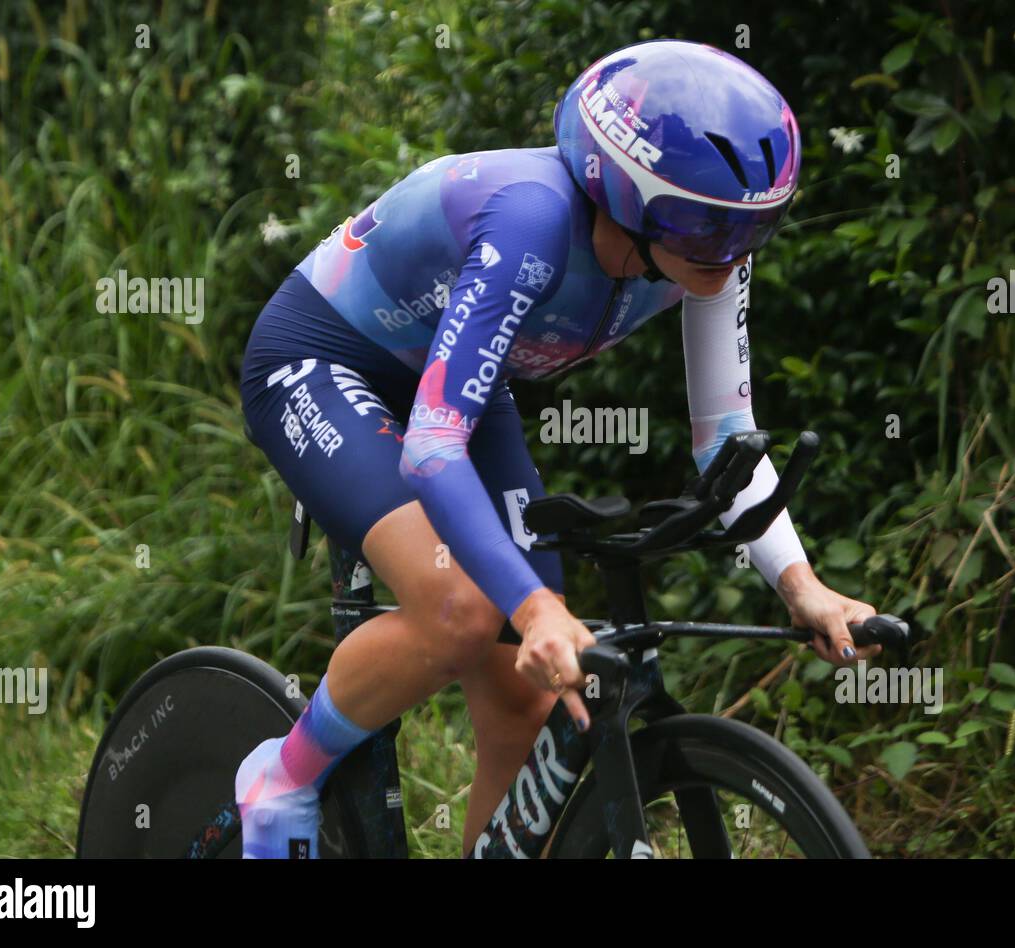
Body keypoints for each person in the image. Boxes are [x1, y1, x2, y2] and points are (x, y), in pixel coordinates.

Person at [234, 38, 881, 859]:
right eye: (707, 225)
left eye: (749, 229)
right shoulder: (533, 221)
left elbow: (724, 436)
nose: (729, 253)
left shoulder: (705, 257)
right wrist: (533, 607)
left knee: (528, 699)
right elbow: (434, 447)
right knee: (467, 611)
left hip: (456, 378)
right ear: (627, 198)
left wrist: (804, 588)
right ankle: (281, 775)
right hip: (321, 362)